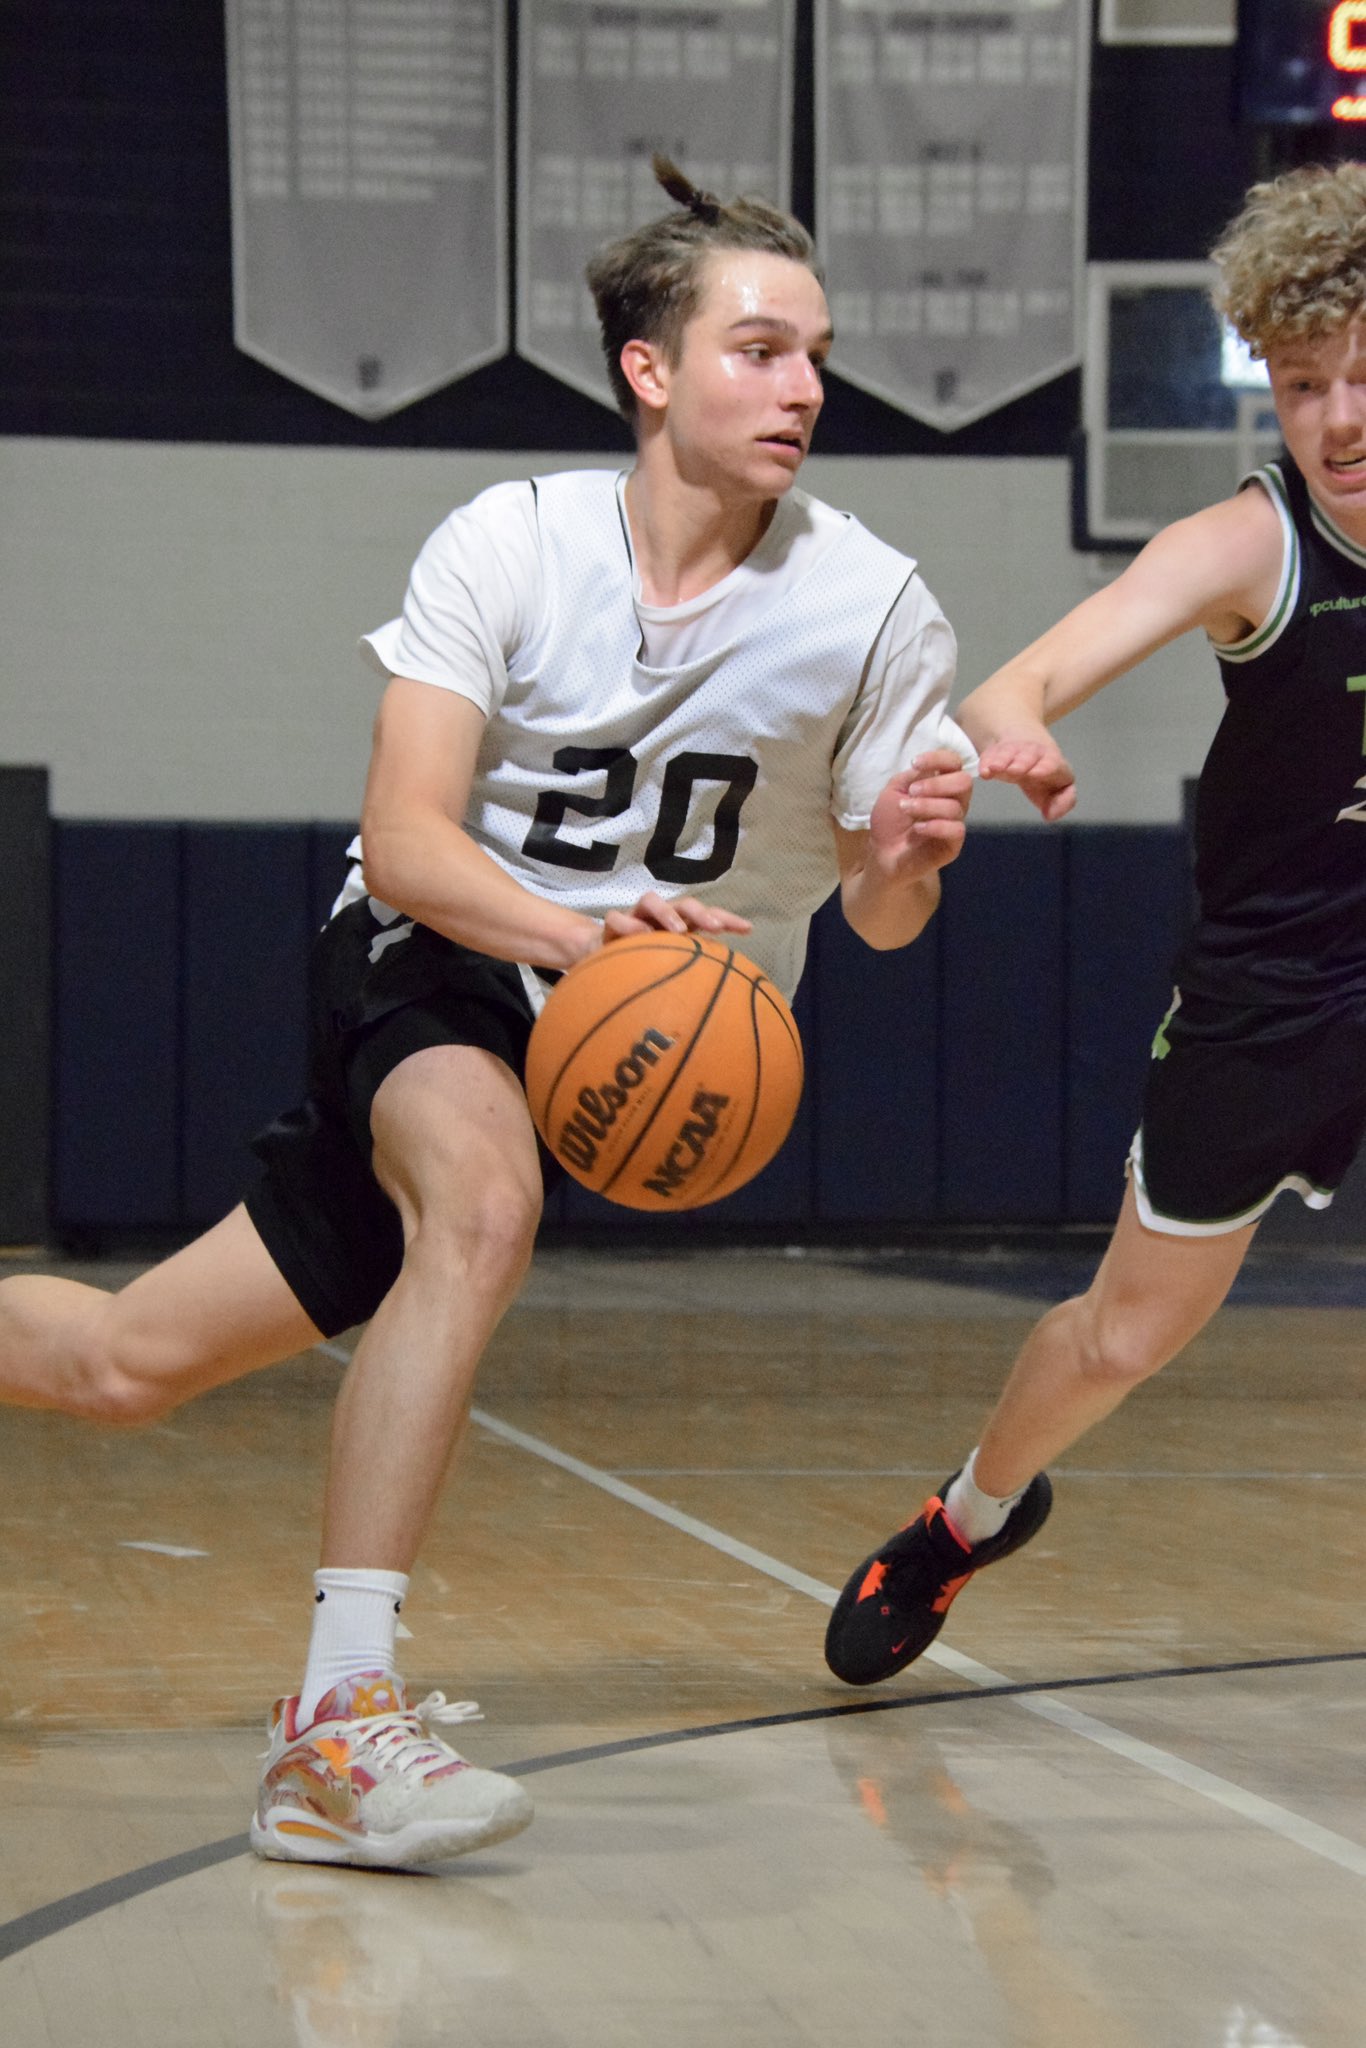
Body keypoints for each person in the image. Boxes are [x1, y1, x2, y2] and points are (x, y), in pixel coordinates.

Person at [0, 158, 972, 1865]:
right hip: (438, 953)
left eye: (815, 352)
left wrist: (902, 855)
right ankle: (336, 1727)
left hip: (618, 1036)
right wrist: (579, 942)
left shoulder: (874, 604)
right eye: (757, 348)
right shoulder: (511, 542)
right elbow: (406, 837)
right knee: (487, 1199)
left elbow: (885, 927)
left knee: (121, 1363)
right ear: (649, 371)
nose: (804, 385)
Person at [823, 157, 1366, 1689]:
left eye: (1365, 377)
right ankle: (970, 1514)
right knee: (1123, 1339)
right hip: (1272, 992)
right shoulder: (1248, 549)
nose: (1338, 418)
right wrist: (1016, 736)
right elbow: (1012, 684)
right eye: (1305, 383)